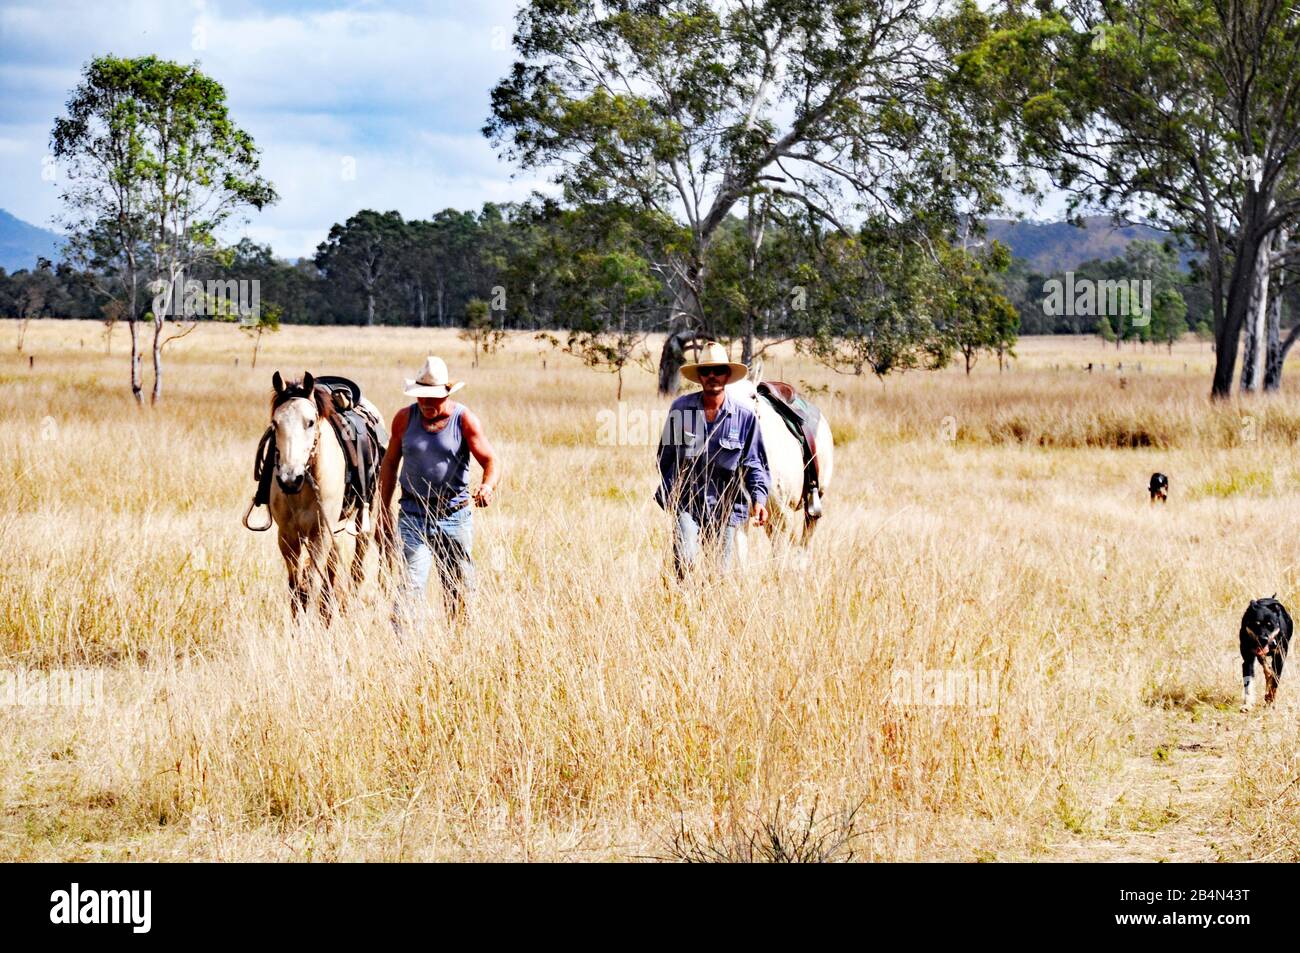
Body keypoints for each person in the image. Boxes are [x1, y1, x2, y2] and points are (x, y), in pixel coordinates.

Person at [378, 355, 500, 627]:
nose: (426, 403)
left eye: (433, 397)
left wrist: (487, 486)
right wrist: (382, 509)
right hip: (412, 514)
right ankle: (407, 653)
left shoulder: (464, 420)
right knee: (410, 584)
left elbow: (490, 460)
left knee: (459, 588)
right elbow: (389, 463)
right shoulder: (403, 419)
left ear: (447, 392)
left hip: (454, 515)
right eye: (422, 396)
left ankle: (460, 645)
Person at [656, 341, 770, 578]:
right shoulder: (681, 409)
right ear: (699, 376)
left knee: (718, 574)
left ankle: (707, 610)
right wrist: (671, 494)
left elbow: (754, 463)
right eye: (706, 371)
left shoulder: (745, 417)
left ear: (727, 375)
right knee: (685, 560)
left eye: (718, 370)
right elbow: (664, 456)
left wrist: (758, 499)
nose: (712, 376)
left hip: (725, 505)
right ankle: (683, 606)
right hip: (687, 500)